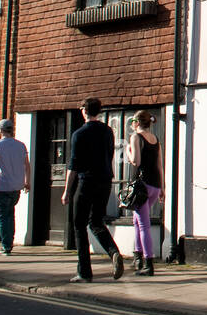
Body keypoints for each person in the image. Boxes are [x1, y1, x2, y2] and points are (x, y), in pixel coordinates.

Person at [61, 97, 124, 282]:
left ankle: (84, 272)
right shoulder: (108, 131)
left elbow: (73, 165)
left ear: (83, 111)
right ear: (99, 111)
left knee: (79, 224)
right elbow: (110, 154)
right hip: (105, 181)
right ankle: (113, 252)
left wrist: (66, 190)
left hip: (86, 181)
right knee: (96, 222)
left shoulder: (79, 134)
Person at [0, 118, 30, 255]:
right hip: (16, 187)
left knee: (2, 218)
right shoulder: (21, 145)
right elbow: (27, 165)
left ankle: (6, 246)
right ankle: (9, 243)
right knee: (10, 216)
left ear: (1, 130)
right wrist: (27, 182)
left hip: (3, 187)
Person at [125, 110, 163, 277]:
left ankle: (148, 263)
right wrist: (163, 188)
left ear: (137, 122)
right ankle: (137, 256)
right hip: (155, 185)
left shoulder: (135, 137)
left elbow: (136, 161)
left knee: (143, 225)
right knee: (137, 220)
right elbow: (160, 165)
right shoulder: (155, 139)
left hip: (142, 186)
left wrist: (127, 150)